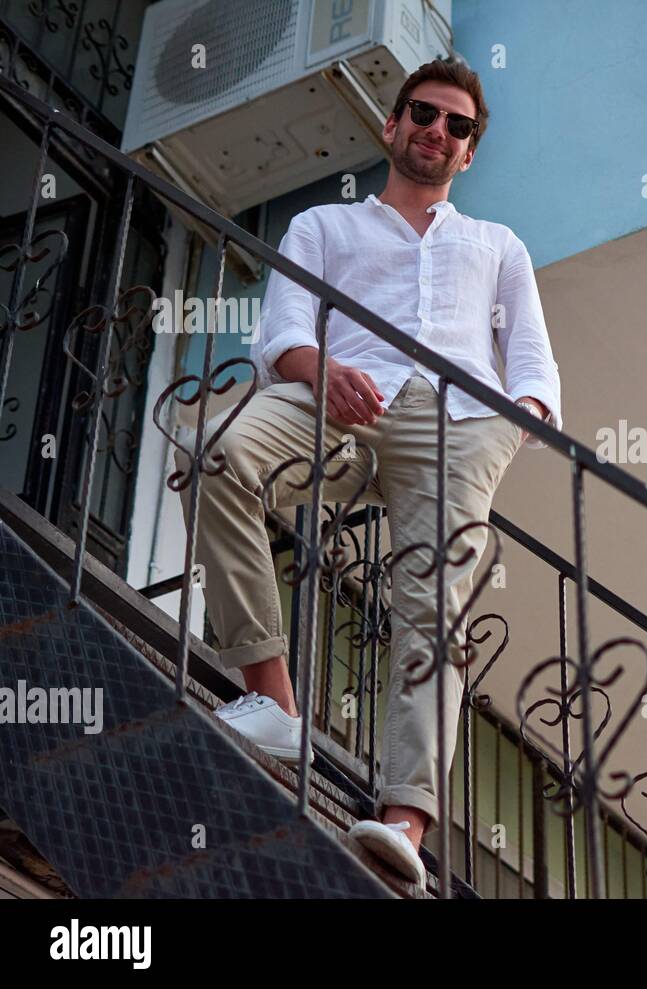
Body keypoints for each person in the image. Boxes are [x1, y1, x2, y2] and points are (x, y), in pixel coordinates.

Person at [183, 57, 561, 888]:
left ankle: (403, 819)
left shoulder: (497, 247)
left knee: (437, 604)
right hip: (339, 399)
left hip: (458, 423)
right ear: (391, 127)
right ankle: (273, 696)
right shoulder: (325, 227)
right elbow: (281, 327)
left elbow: (531, 357)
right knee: (214, 450)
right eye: (423, 113)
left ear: (467, 153)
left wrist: (518, 420)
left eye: (456, 125)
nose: (437, 129)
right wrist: (319, 368)